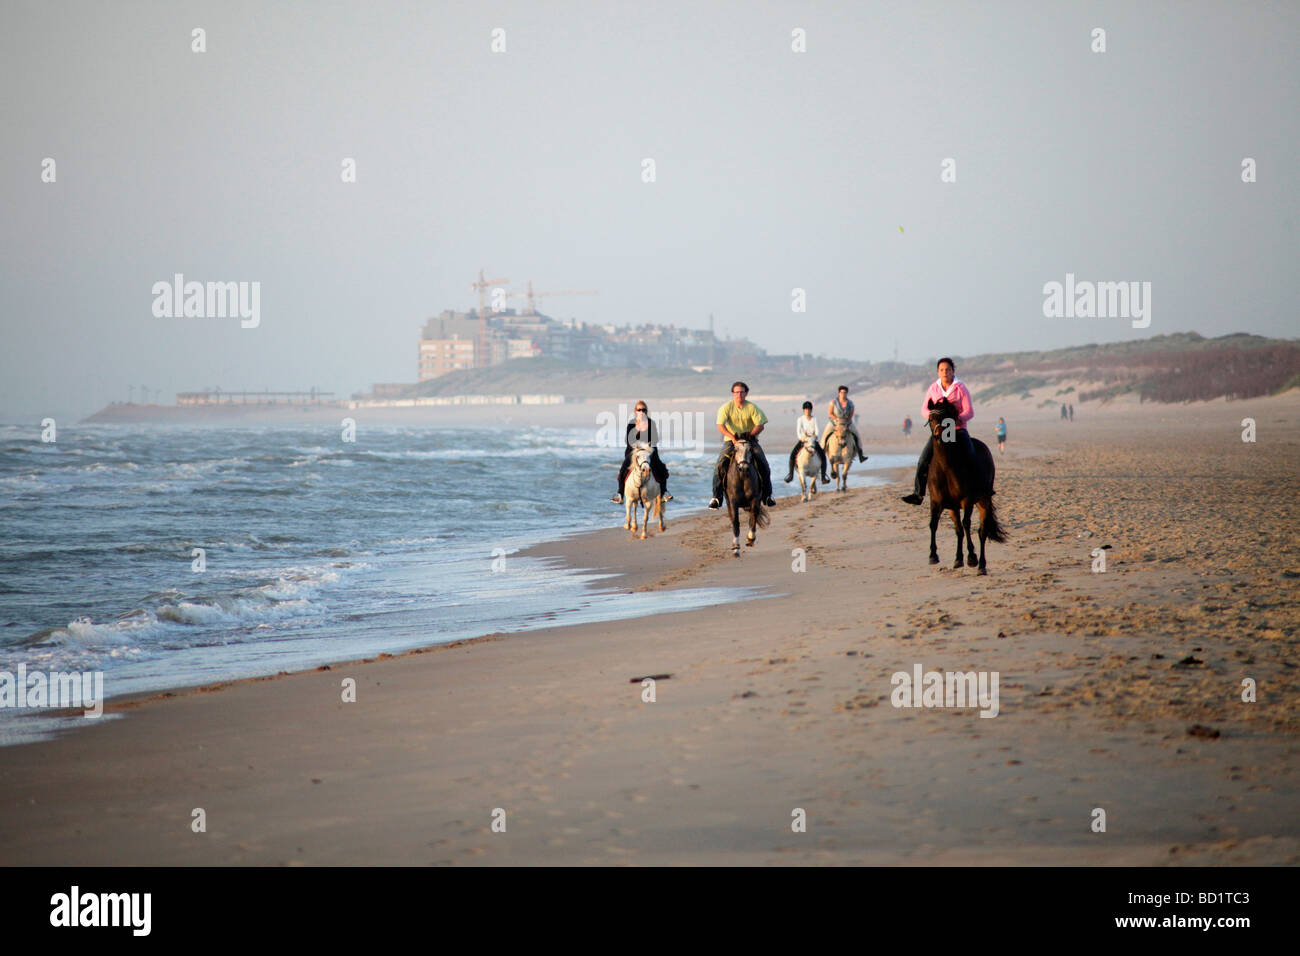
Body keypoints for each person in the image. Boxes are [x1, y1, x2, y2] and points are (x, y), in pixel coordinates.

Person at [900, 357, 976, 505]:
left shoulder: (961, 388)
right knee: (923, 460)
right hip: (939, 432)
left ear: (953, 371)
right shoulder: (933, 388)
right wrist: (932, 416)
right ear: (937, 372)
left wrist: (959, 419)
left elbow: (969, 411)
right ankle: (918, 493)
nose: (945, 372)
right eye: (942, 370)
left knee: (971, 456)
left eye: (948, 369)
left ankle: (980, 488)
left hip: (957, 430)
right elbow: (924, 409)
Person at [708, 381, 775, 509]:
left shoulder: (752, 408)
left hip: (750, 440)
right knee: (719, 465)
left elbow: (760, 425)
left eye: (742, 392)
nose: (739, 394)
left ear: (746, 393)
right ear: (733, 394)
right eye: (737, 392)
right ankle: (717, 497)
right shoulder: (726, 408)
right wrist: (732, 437)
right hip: (731, 441)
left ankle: (767, 495)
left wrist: (750, 435)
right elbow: (720, 425)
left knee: (763, 463)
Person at [611, 401, 671, 504]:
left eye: (644, 410)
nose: (641, 411)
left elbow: (655, 439)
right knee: (623, 470)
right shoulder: (631, 424)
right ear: (635, 411)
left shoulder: (651, 423)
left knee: (662, 469)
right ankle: (620, 494)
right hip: (634, 451)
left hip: (649, 450)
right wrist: (637, 446)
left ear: (646, 411)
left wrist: (648, 445)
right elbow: (628, 440)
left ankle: (663, 493)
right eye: (639, 410)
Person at [785, 401, 830, 484]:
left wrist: (816, 436)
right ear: (803, 410)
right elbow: (798, 430)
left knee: (823, 456)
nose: (807, 411)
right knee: (792, 455)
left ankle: (823, 477)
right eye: (806, 409)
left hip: (813, 440)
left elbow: (817, 430)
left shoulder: (814, 419)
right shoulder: (800, 419)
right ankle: (791, 475)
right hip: (804, 440)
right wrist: (801, 438)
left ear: (811, 410)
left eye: (809, 409)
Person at [822, 386, 869, 463]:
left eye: (845, 393)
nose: (843, 394)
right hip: (835, 422)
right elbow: (830, 413)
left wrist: (847, 422)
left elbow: (851, 414)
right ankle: (822, 453)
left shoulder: (850, 403)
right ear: (839, 393)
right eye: (841, 392)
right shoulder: (833, 402)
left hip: (847, 422)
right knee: (825, 435)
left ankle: (861, 455)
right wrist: (836, 419)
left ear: (847, 393)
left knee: (857, 435)